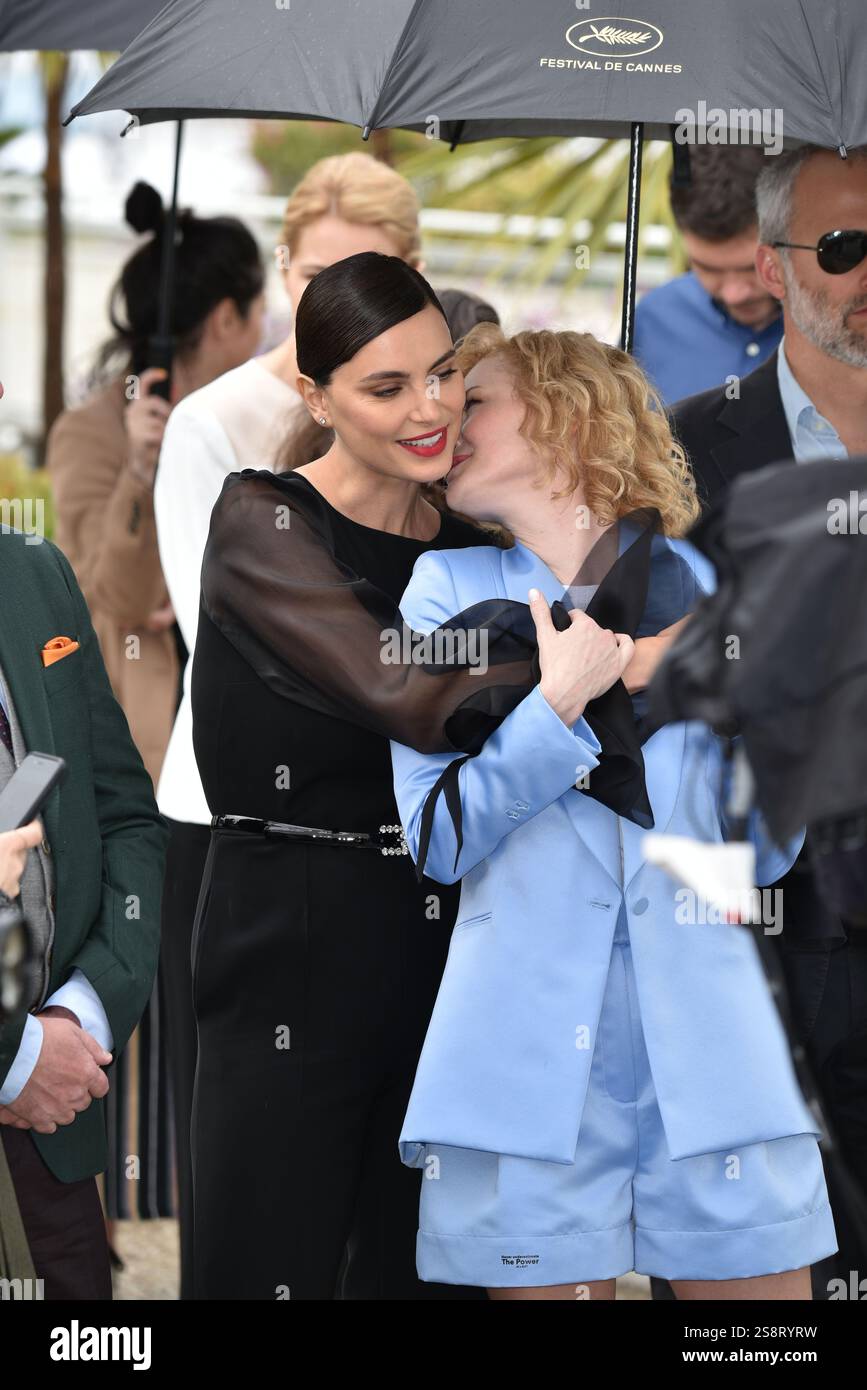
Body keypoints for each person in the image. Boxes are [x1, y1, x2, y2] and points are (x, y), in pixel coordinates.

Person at [387, 322, 837, 1300]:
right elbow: (437, 838)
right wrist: (556, 706)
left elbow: (764, 853)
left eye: (476, 399)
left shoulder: (714, 593)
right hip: (521, 1073)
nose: (443, 421)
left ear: (562, 416)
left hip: (712, 1067)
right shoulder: (444, 598)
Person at [188, 252, 511, 1300]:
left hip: (449, 934)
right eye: (386, 387)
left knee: (420, 1270)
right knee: (262, 1260)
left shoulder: (479, 544)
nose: (431, 407)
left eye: (443, 370)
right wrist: (572, 654)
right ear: (313, 393)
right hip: (288, 929)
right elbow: (407, 691)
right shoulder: (263, 520)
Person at [46, 180, 264, 1290]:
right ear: (223, 318)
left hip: (244, 752)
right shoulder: (95, 428)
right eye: (258, 311)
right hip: (141, 751)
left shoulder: (266, 418)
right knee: (124, 985)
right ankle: (112, 1221)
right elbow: (94, 595)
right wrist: (143, 460)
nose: (265, 331)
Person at [671, 142, 867, 1300]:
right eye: (843, 249)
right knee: (753, 1261)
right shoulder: (683, 449)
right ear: (773, 265)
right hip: (755, 932)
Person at [0, 378, 168, 1299]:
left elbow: (122, 816)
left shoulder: (33, 571)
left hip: (53, 1140)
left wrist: (80, 1018)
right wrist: (11, 1058)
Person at [632, 145, 782, 403]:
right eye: (707, 268)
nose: (735, 294)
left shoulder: (842, 322)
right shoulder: (651, 322)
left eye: (752, 267)